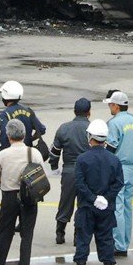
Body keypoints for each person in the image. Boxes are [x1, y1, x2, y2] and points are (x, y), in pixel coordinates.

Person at [69, 119, 123, 265]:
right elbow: (119, 182)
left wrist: (93, 198)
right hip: (106, 208)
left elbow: (79, 183)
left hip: (86, 206)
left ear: (90, 137)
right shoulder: (114, 159)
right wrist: (105, 198)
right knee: (106, 239)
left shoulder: (83, 159)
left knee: (83, 238)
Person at [0, 119, 38, 265]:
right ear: (24, 135)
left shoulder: (3, 154)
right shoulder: (34, 153)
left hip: (9, 196)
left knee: (4, 231)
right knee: (27, 233)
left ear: (9, 136)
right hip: (29, 197)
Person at [104, 90, 133, 256]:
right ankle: (125, 241)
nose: (110, 108)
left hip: (118, 167)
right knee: (127, 207)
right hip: (131, 167)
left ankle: (118, 244)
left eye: (111, 105)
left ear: (116, 106)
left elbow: (111, 147)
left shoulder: (114, 123)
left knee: (117, 206)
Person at [50, 97, 92, 245]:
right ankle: (78, 235)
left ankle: (60, 232)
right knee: (83, 204)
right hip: (87, 172)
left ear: (74, 111)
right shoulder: (92, 128)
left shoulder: (64, 128)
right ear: (89, 112)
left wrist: (54, 167)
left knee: (65, 202)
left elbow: (55, 151)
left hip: (69, 170)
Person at [0, 80, 48, 151]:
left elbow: (4, 138)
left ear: (5, 96)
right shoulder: (28, 110)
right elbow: (41, 130)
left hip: (11, 153)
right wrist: (30, 139)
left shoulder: (5, 114)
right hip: (28, 153)